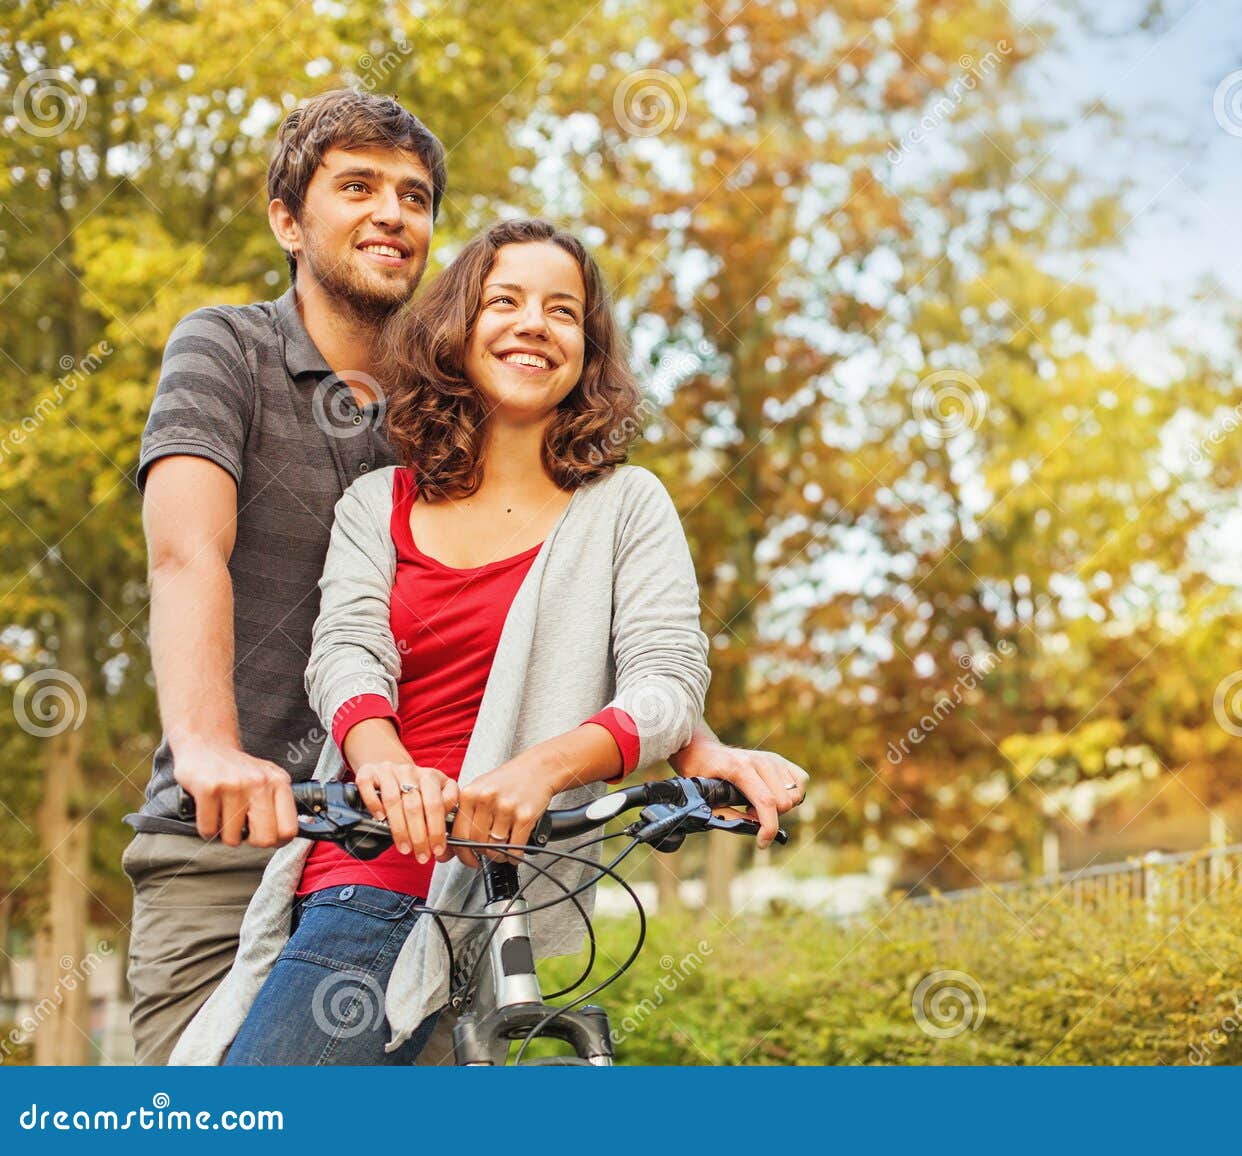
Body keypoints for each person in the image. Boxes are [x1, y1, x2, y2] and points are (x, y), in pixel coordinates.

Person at [126, 89, 807, 1066]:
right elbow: (186, 552)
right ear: (287, 218)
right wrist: (207, 748)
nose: (390, 213)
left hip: (448, 851)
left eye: (413, 194)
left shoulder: (450, 410)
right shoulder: (228, 350)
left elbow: (545, 603)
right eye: (356, 186)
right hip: (236, 825)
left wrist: (688, 742)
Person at [179, 217, 711, 1064]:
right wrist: (383, 762)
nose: (534, 323)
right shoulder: (378, 503)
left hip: (514, 912)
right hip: (373, 883)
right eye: (505, 301)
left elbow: (668, 682)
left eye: (563, 311)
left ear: (589, 351)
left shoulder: (627, 506)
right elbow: (346, 649)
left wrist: (540, 770)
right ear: (457, 332)